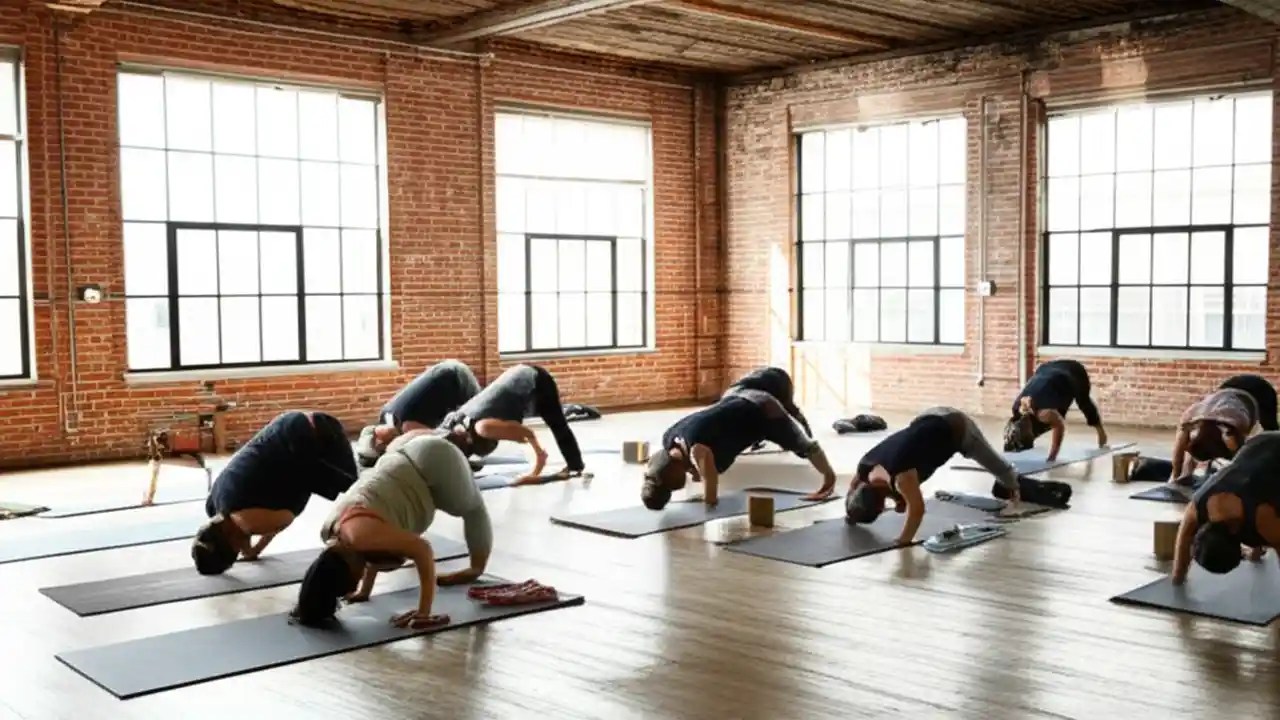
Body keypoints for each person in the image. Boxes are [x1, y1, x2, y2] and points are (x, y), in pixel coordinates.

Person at [290, 430, 492, 629]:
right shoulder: (334, 535)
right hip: (406, 454)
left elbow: (422, 549)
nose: (359, 577)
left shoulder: (360, 538)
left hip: (434, 462)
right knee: (389, 551)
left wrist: (423, 612)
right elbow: (373, 538)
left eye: (355, 579)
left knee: (472, 508)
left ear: (346, 570)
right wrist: (365, 591)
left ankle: (477, 568)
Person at [845, 408, 1048, 545]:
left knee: (1001, 471)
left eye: (882, 508)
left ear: (881, 505)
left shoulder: (902, 478)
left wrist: (903, 540)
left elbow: (917, 510)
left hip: (957, 427)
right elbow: (853, 488)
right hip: (928, 417)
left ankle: (1017, 490)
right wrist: (851, 514)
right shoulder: (864, 467)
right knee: (908, 483)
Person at [192, 411, 357, 575]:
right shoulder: (214, 506)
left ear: (231, 543)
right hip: (286, 423)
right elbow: (239, 522)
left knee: (356, 489)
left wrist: (256, 548)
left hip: (317, 433)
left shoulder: (250, 521)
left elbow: (283, 519)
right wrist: (250, 548)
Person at [640, 389, 836, 510]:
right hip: (737, 396)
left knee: (803, 446)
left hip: (762, 409)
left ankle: (829, 479)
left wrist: (709, 504)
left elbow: (711, 485)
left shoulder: (697, 450)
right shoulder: (669, 438)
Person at [437, 364, 584, 484]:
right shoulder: (453, 424)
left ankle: (575, 466)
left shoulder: (483, 428)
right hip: (514, 377)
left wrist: (536, 469)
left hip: (534, 378)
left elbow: (528, 433)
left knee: (557, 423)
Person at [1171, 431, 1280, 585]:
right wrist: (1178, 577)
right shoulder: (1197, 509)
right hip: (1258, 449)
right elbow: (1184, 538)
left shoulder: (1263, 517)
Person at [356, 360, 481, 467]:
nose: (380, 442)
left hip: (455, 377)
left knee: (480, 433)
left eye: (377, 440)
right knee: (475, 435)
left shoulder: (401, 423)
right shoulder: (391, 417)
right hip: (449, 375)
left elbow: (442, 442)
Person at [1003, 359, 1108, 461]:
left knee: (1084, 402)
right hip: (1047, 370)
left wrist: (1052, 457)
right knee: (1030, 430)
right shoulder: (1016, 408)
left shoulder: (1044, 413)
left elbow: (1059, 426)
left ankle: (1101, 432)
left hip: (1073, 373)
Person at [1166, 382, 1261, 483]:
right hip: (1216, 400)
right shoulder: (1188, 418)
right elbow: (1179, 450)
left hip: (1247, 401)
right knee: (1187, 460)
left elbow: (1241, 456)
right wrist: (1175, 476)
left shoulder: (1237, 424)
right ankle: (1187, 473)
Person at [724, 367, 812, 438]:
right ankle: (806, 431)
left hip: (778, 381)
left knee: (788, 409)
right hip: (763, 378)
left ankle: (806, 431)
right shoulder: (730, 396)